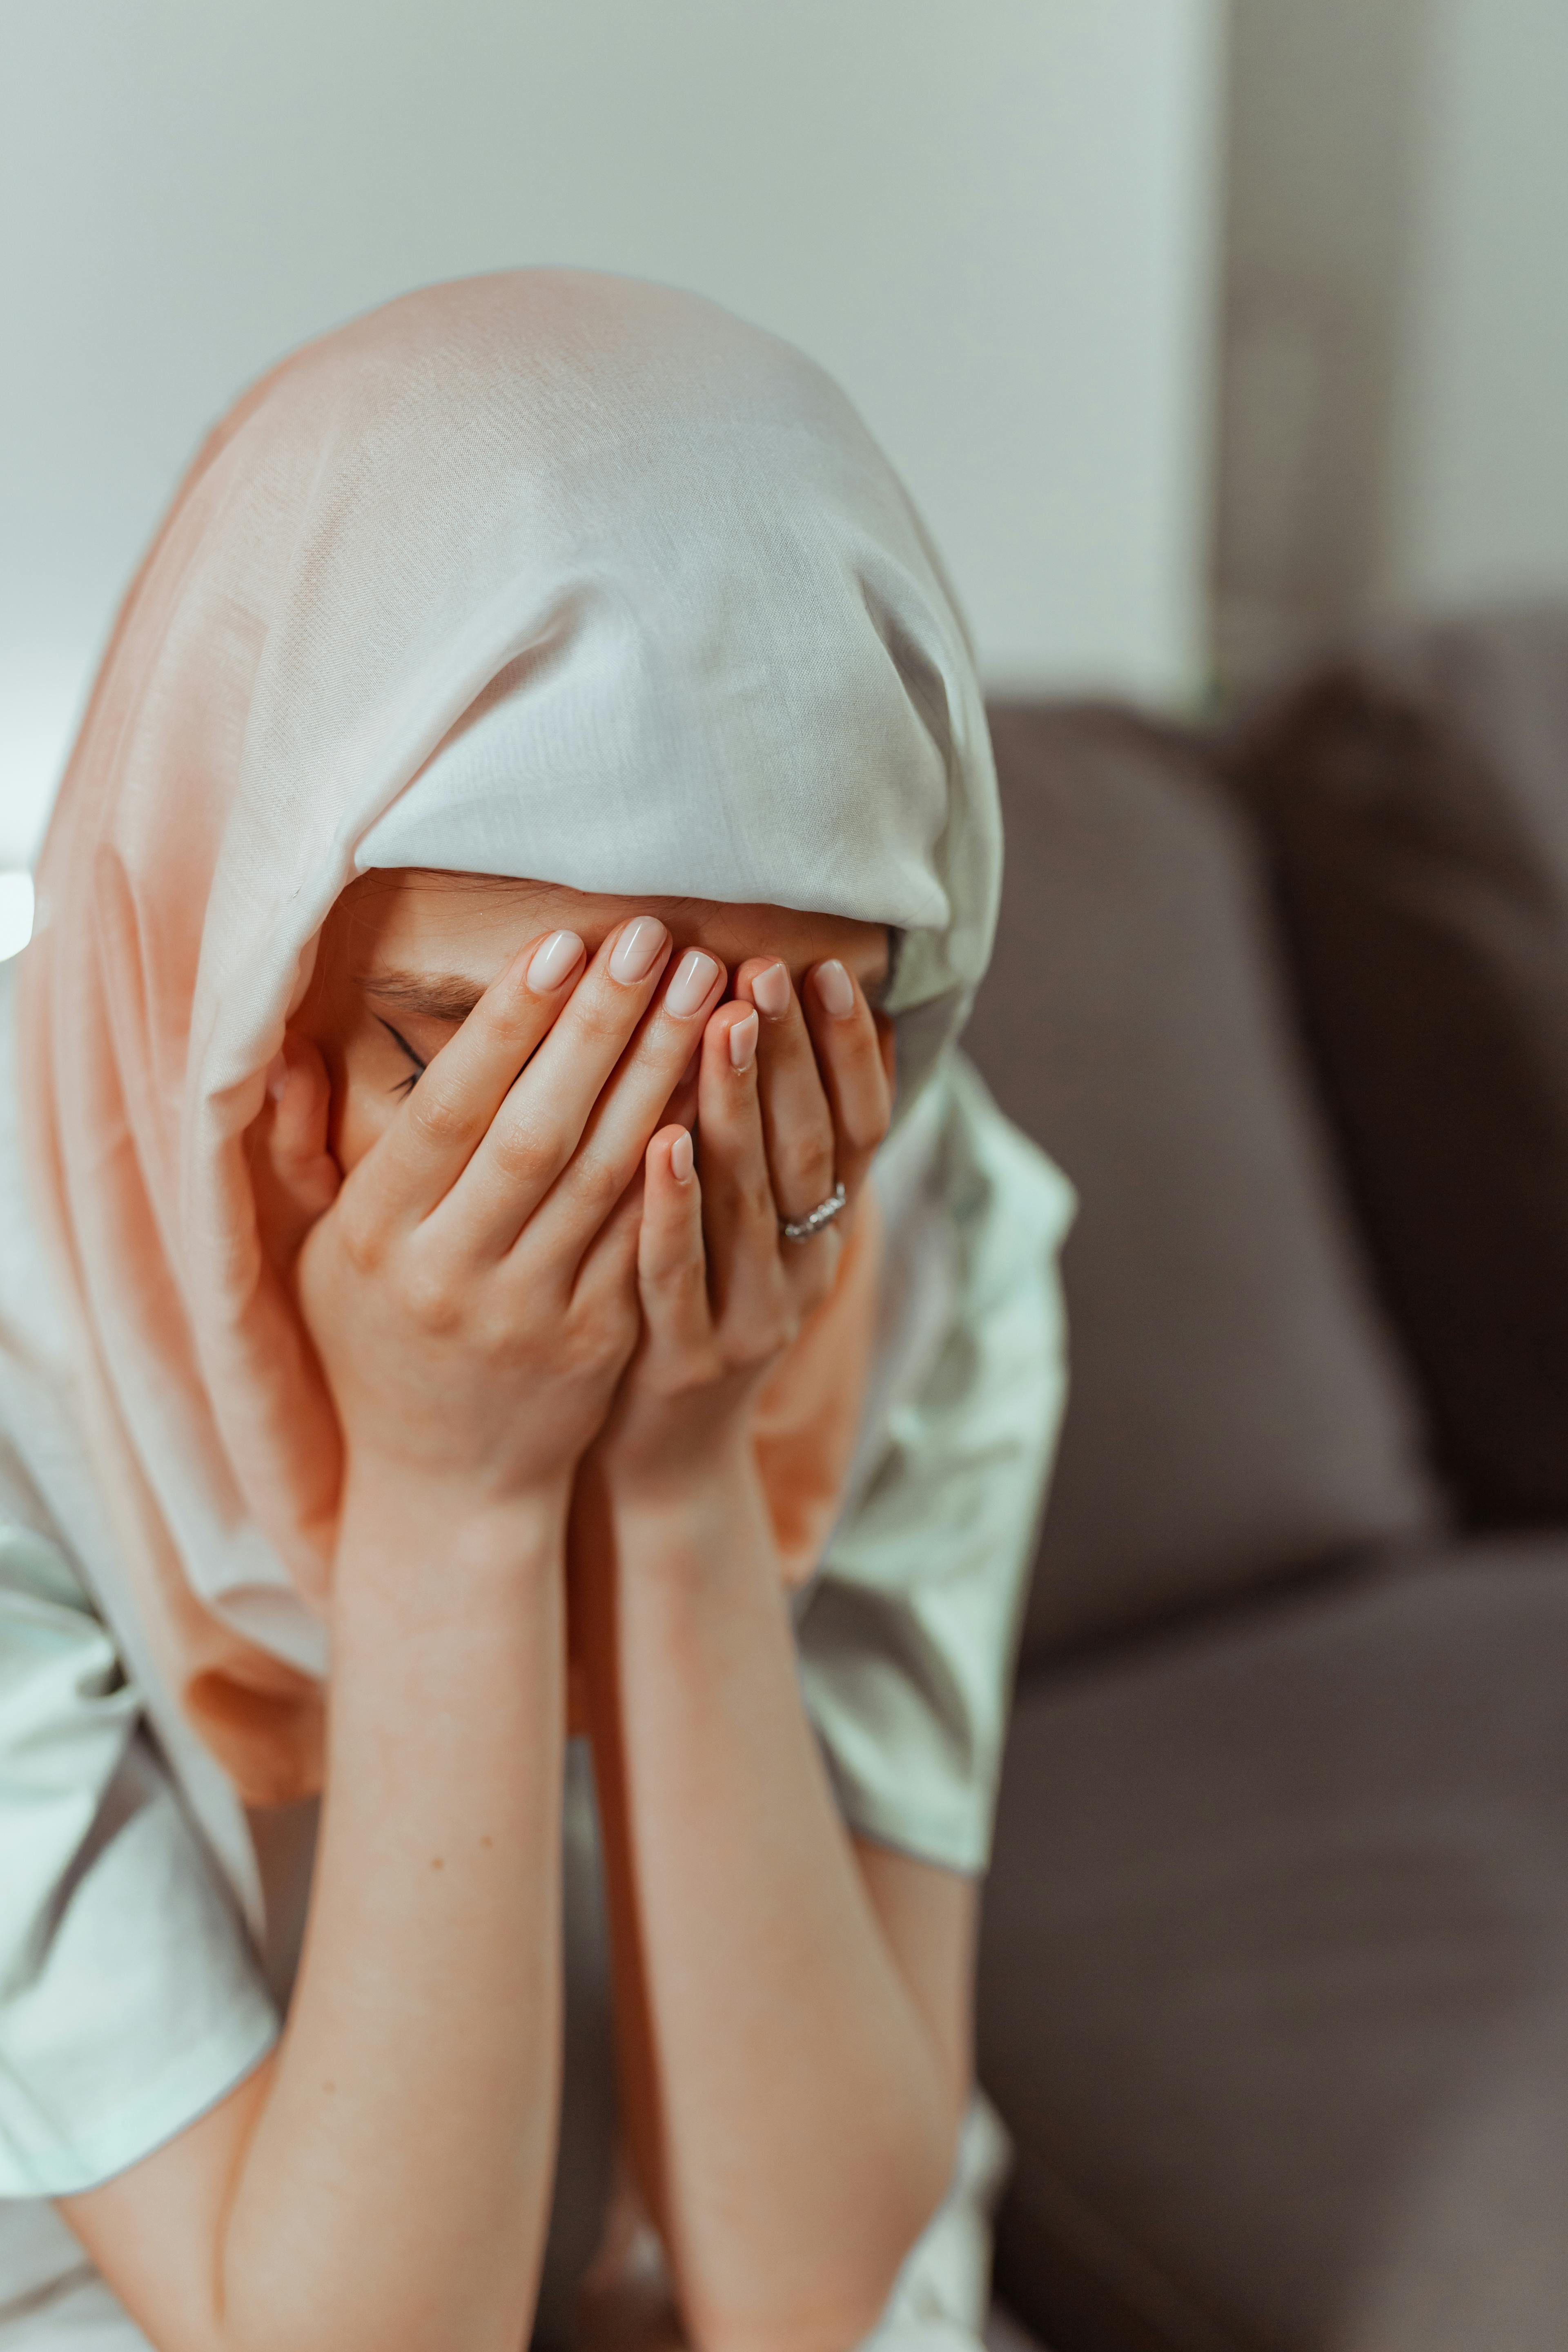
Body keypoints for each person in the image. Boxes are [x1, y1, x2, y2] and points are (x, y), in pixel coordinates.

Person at [0, 270, 1074, 2352]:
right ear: (239, 977)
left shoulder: (918, 1225)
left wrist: (680, 1482)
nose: (622, 1194)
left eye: (761, 1064)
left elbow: (815, 2280)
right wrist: (450, 1502)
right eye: (477, 1063)